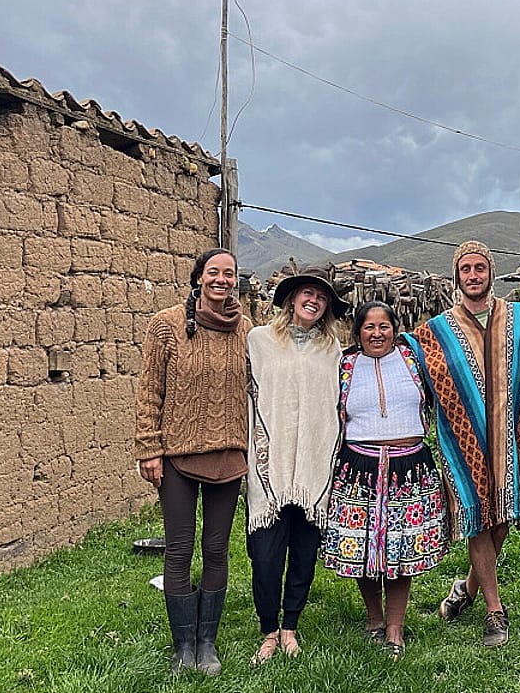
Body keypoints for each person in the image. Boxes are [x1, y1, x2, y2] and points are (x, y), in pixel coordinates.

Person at [401, 240, 520, 648]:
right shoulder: (437, 330)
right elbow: (398, 355)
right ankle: (493, 609)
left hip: (514, 438)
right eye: (465, 269)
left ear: (491, 272)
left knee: (501, 518)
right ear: (457, 276)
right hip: (461, 441)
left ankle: (466, 589)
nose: (473, 275)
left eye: (479, 268)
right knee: (477, 516)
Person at [135, 247, 253, 676]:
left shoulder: (245, 329)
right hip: (177, 455)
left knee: (217, 548)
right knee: (180, 549)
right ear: (199, 277)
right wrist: (148, 448)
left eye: (229, 274)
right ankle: (183, 644)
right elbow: (149, 391)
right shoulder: (166, 326)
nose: (221, 280)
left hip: (228, 454)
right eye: (213, 273)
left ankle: (207, 642)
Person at [323, 301, 449, 657]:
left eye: (384, 327)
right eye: (369, 327)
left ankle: (395, 627)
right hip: (358, 468)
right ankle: (374, 619)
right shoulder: (344, 366)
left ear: (395, 328)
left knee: (399, 549)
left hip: (409, 469)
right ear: (358, 331)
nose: (377, 334)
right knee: (362, 549)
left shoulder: (415, 361)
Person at [245, 267, 347, 665]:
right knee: (266, 555)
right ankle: (268, 629)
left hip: (314, 464)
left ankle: (290, 626)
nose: (314, 301)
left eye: (321, 298)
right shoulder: (260, 341)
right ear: (291, 298)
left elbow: (335, 404)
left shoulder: (331, 349)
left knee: (304, 553)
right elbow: (248, 394)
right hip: (271, 464)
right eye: (308, 293)